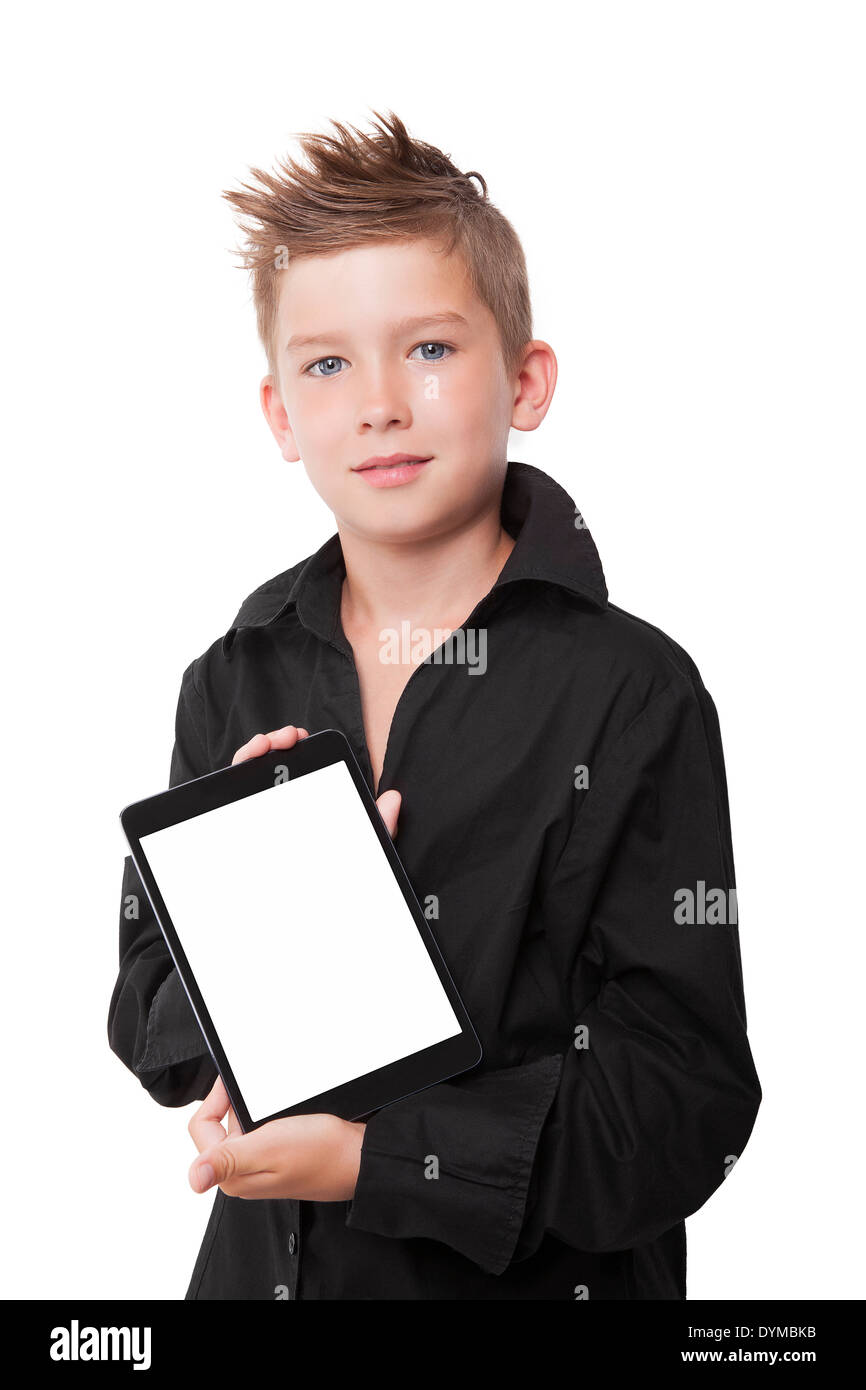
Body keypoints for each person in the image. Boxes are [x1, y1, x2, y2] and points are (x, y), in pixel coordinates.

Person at [107, 110, 762, 1300]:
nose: (377, 404)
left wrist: (376, 1164)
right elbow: (150, 1019)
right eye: (326, 363)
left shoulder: (630, 693)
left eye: (427, 350)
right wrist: (260, 913)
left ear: (525, 380)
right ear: (277, 416)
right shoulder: (231, 680)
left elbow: (682, 1100)